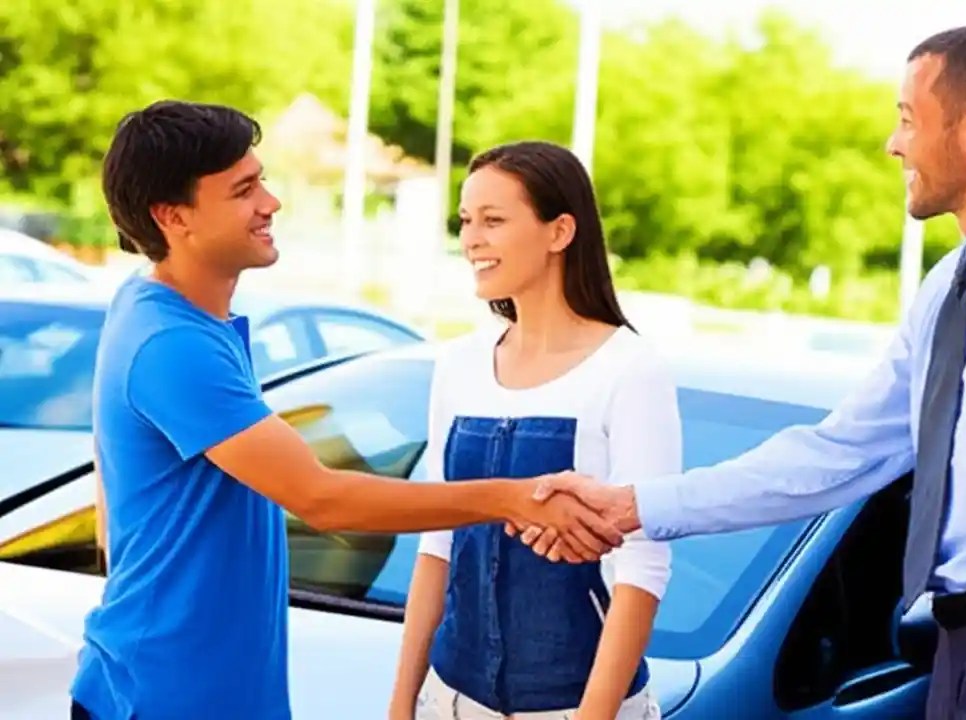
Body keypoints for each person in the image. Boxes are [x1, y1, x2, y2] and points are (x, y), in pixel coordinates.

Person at [523, 24, 966, 720]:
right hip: (960, 652)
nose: (893, 143)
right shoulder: (946, 288)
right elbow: (838, 456)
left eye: (907, 119)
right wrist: (636, 505)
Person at [73, 102, 622, 720]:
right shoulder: (171, 344)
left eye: (262, 179)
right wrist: (513, 498)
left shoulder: (175, 313)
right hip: (165, 698)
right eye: (243, 190)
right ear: (173, 217)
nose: (270, 203)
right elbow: (323, 499)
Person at [388, 141, 676, 720]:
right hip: (449, 699)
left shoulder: (630, 369)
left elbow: (643, 570)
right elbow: (436, 542)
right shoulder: (458, 364)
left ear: (560, 231)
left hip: (574, 706)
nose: (472, 239)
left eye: (493, 220)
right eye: (467, 220)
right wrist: (402, 705)